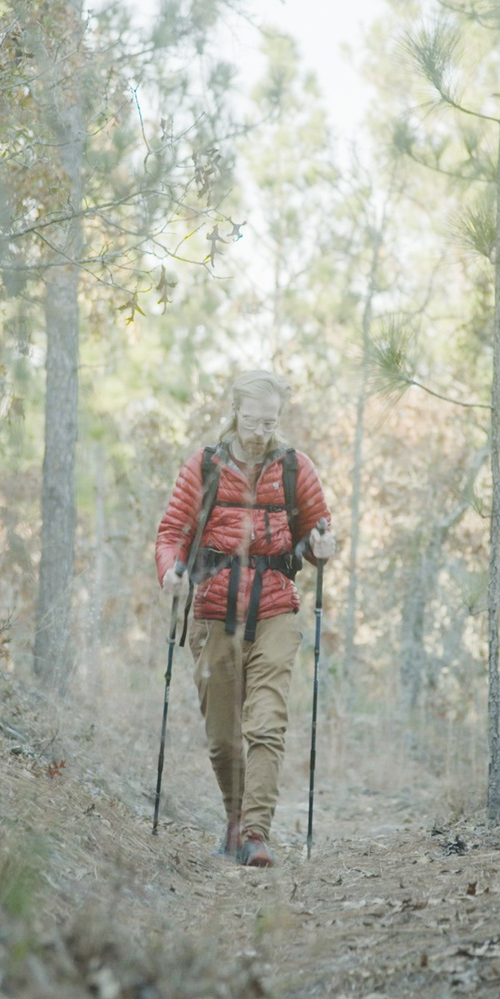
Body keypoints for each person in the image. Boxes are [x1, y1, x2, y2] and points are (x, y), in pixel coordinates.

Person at [154, 370, 334, 868]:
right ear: (235, 412)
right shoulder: (205, 466)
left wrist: (322, 548)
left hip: (276, 607)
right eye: (252, 420)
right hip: (213, 610)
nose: (259, 431)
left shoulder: (297, 468)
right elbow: (171, 532)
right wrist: (171, 571)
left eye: (269, 421)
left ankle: (256, 833)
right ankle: (234, 820)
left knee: (267, 723)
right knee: (222, 738)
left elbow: (316, 535)